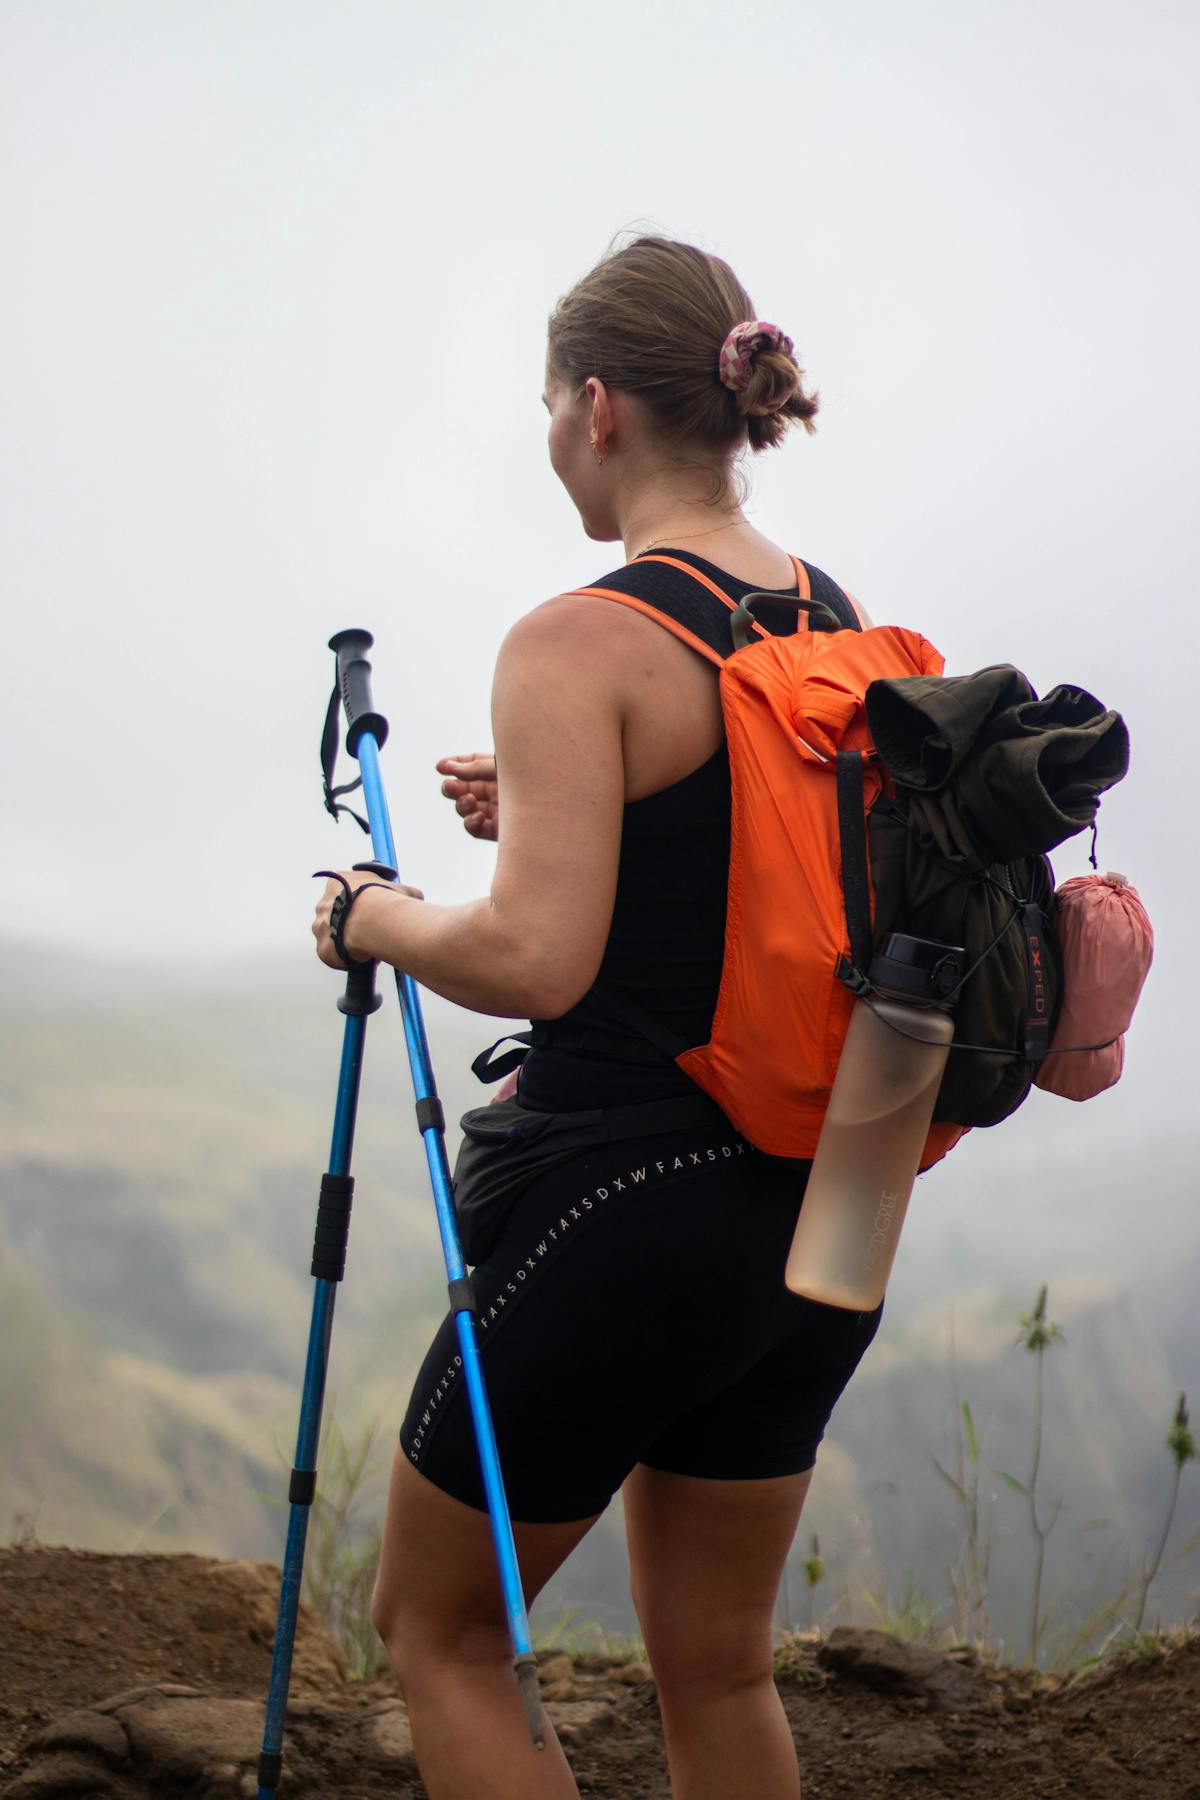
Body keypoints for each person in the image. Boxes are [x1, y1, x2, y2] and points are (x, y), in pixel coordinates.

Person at [312, 235, 882, 1800]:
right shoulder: (832, 615)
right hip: (829, 1211)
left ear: (598, 408)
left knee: (443, 1637)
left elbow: (536, 966)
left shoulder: (578, 640)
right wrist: (565, 811)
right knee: (718, 1666)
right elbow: (762, 883)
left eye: (547, 402)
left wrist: (371, 917)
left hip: (624, 1207)